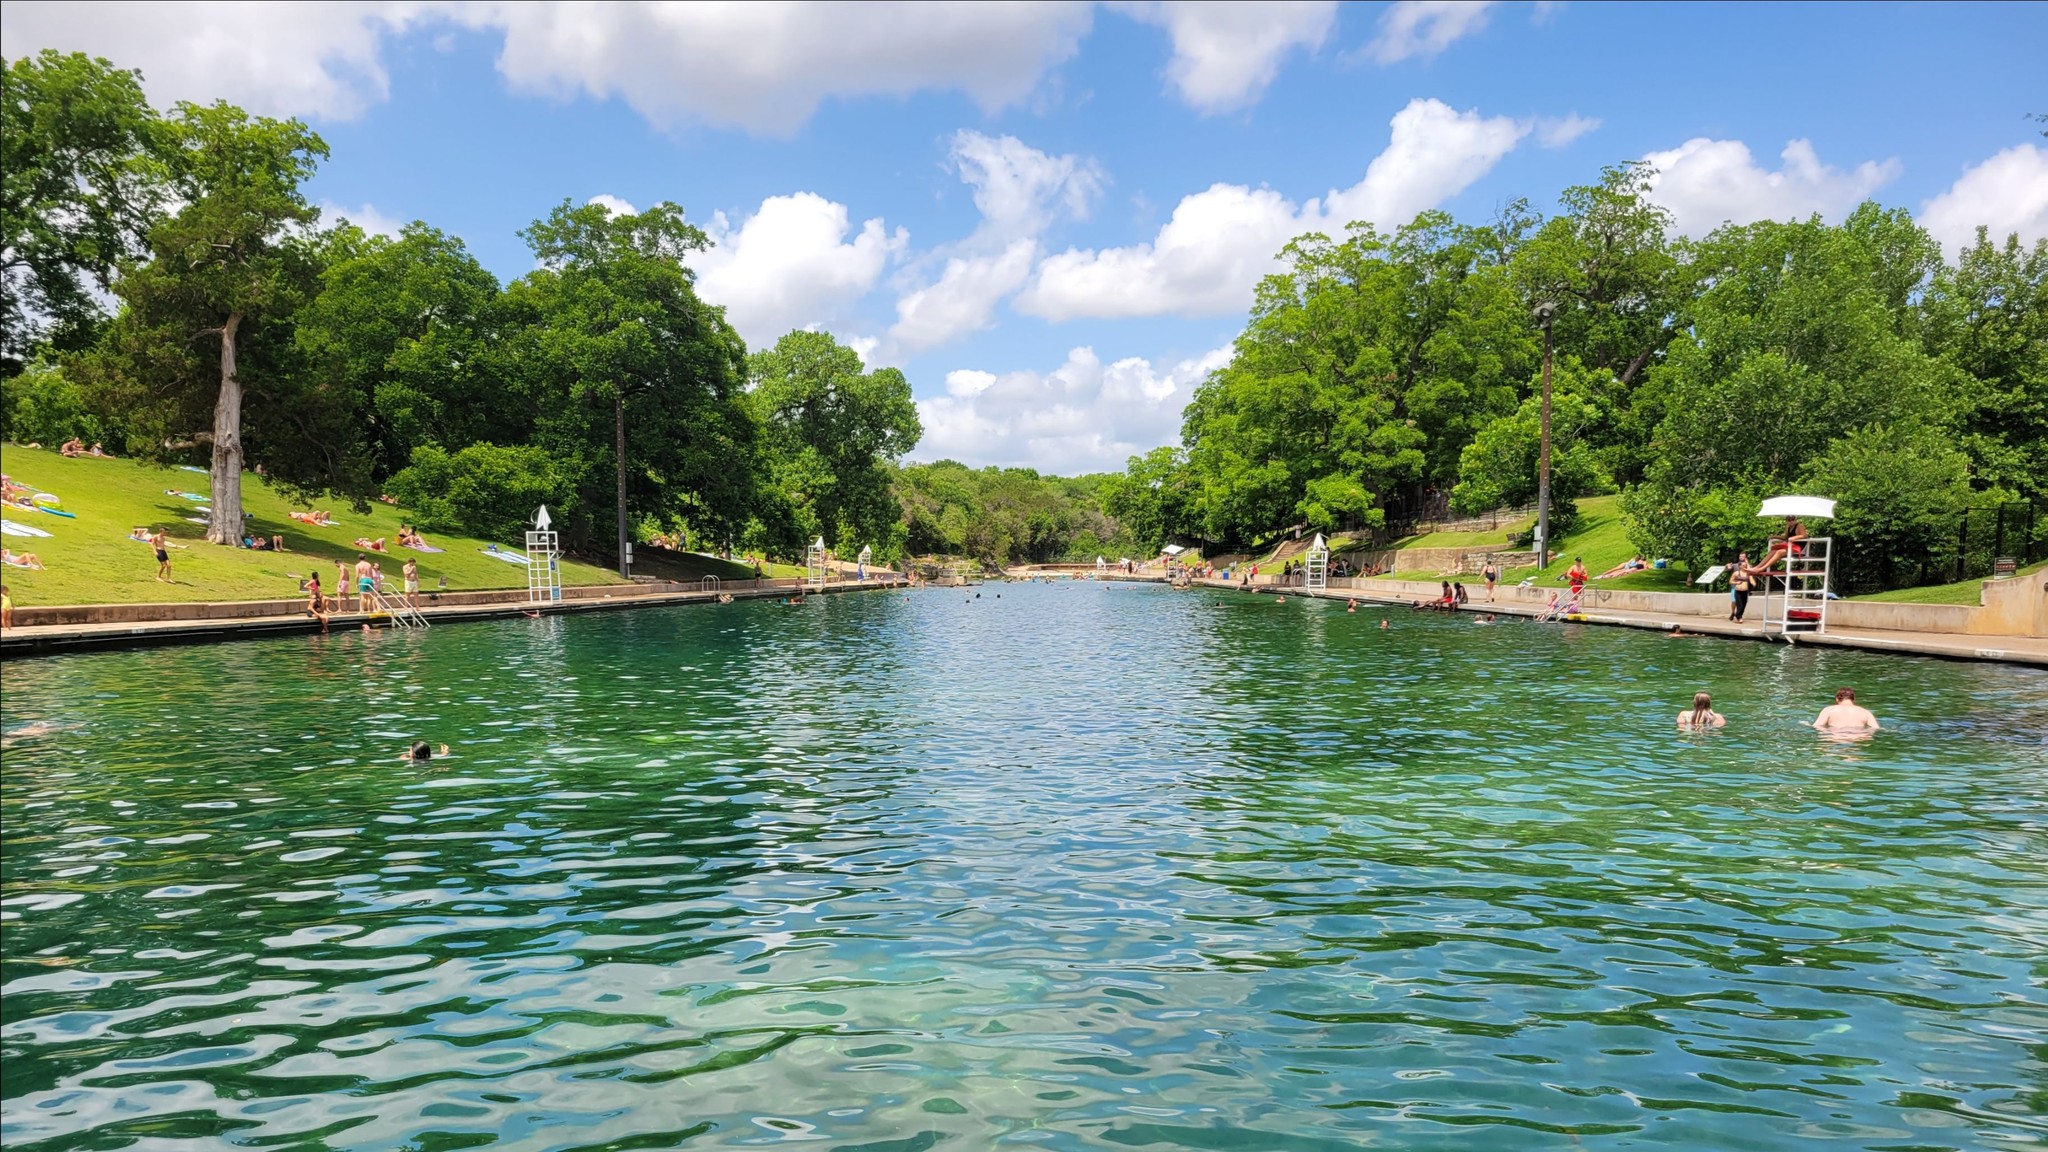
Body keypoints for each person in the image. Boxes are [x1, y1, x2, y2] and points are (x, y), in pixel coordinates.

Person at [1813, 688, 1879, 732]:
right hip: (1857, 739)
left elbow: (1817, 726)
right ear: (1853, 699)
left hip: (1835, 738)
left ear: (1837, 699)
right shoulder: (1865, 712)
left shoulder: (1828, 710)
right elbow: (1875, 728)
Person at [1728, 556, 1754, 622]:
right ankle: (1738, 616)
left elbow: (1751, 575)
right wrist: (1736, 582)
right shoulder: (1736, 573)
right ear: (1740, 566)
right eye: (1743, 566)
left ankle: (1739, 616)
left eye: (1745, 566)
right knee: (1739, 604)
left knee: (1744, 605)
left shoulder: (1748, 573)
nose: (1745, 567)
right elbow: (1730, 581)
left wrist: (1753, 583)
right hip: (1738, 591)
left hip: (1745, 591)